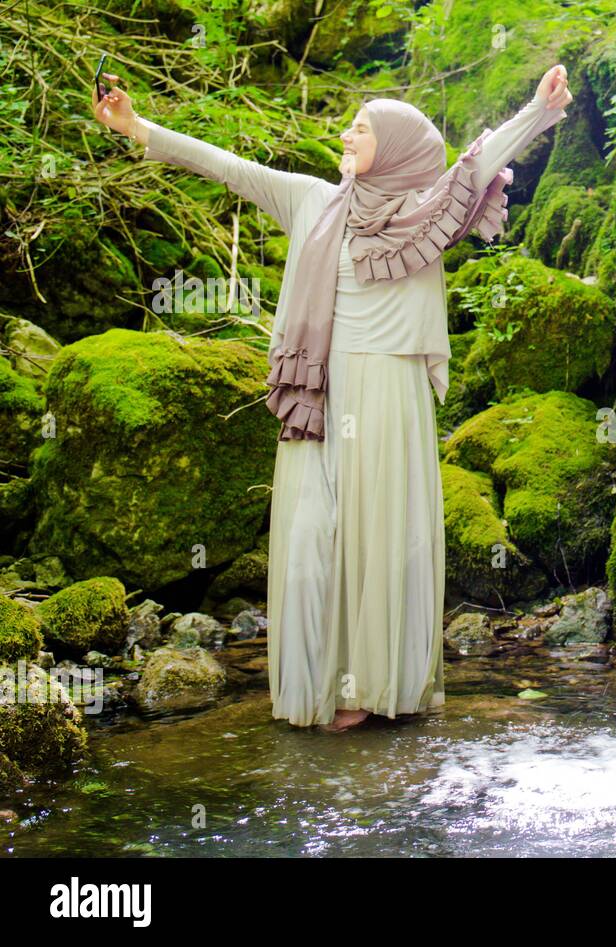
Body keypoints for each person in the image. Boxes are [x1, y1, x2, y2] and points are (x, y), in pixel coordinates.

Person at [93, 64, 572, 732]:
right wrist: (137, 127)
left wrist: (538, 108)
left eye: (363, 127)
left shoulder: (426, 210)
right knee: (311, 535)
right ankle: (318, 680)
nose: (347, 134)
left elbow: (480, 160)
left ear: (398, 149)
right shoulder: (312, 201)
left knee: (379, 541)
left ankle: (371, 687)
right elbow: (228, 166)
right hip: (319, 390)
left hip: (390, 394)